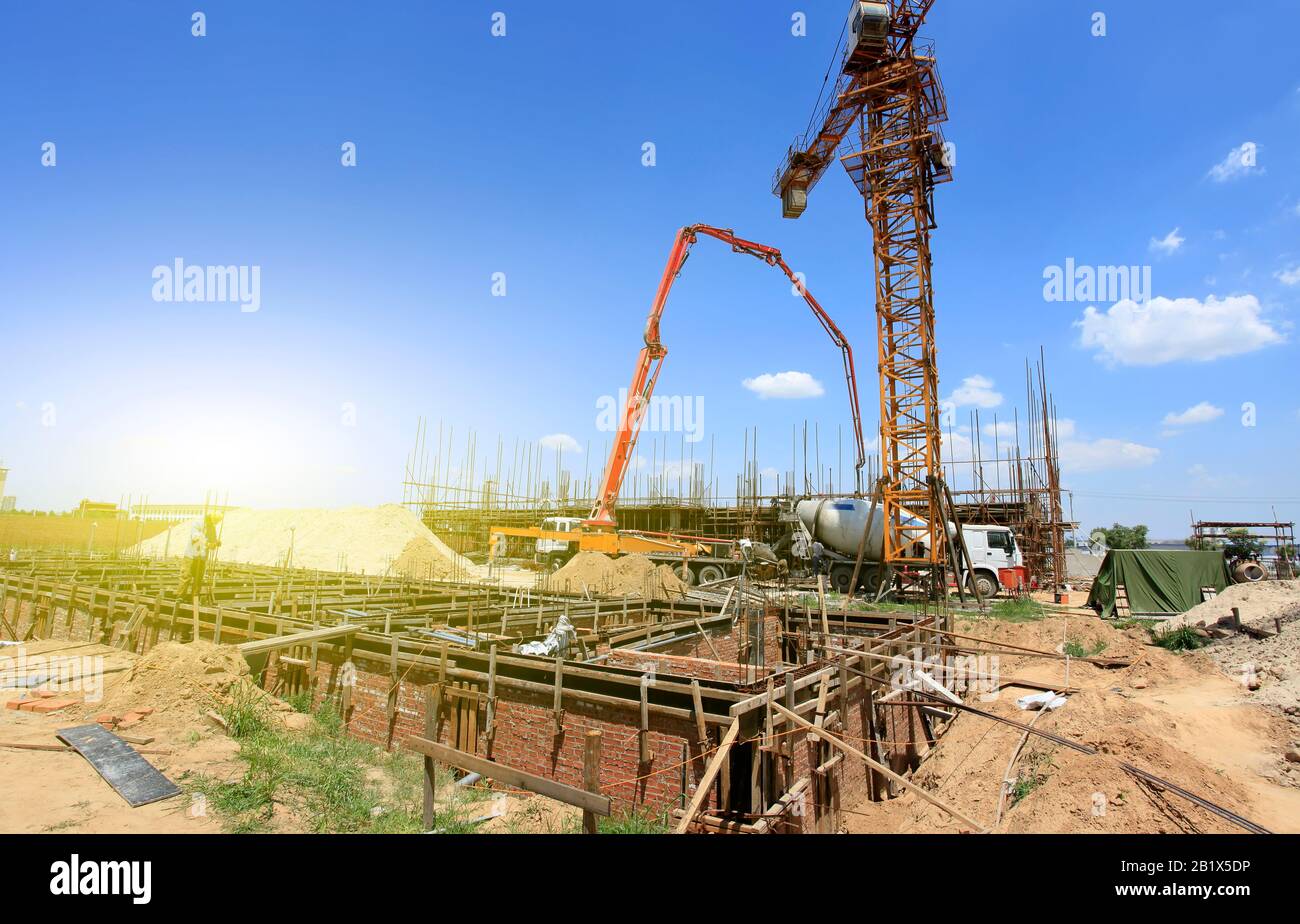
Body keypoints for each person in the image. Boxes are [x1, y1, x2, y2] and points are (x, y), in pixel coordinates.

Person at [177, 513, 221, 598]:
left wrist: (215, 543)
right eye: (216, 520)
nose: (216, 523)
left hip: (202, 558)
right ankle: (179, 599)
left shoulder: (212, 527)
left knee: (198, 581)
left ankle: (194, 601)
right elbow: (195, 537)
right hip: (191, 556)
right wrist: (207, 543)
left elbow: (212, 543)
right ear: (211, 517)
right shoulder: (198, 522)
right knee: (185, 578)